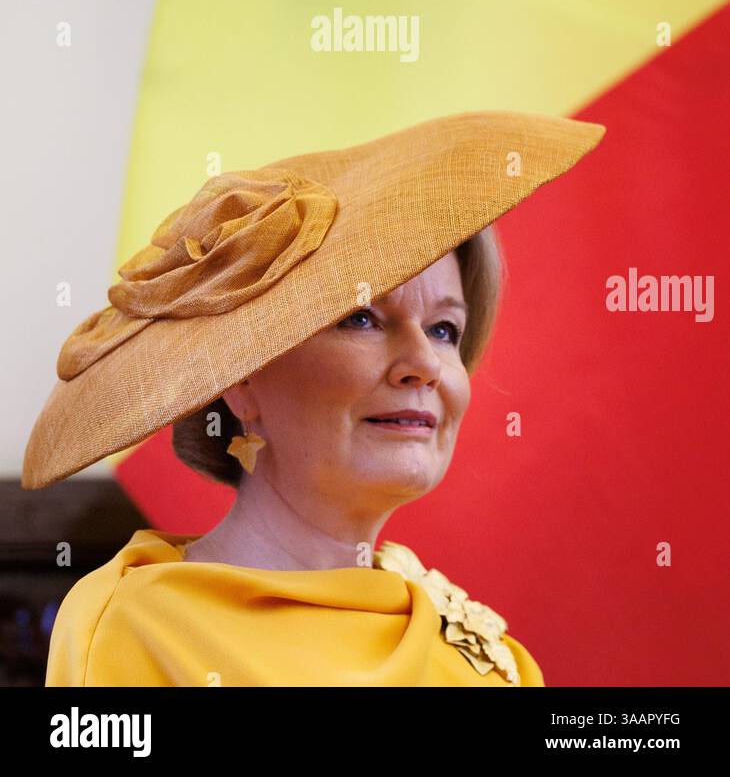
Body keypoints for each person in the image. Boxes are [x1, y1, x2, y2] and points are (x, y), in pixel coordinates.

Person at [23, 107, 605, 687]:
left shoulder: (489, 660)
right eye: (362, 319)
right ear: (243, 377)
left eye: (444, 329)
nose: (425, 364)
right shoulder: (136, 629)